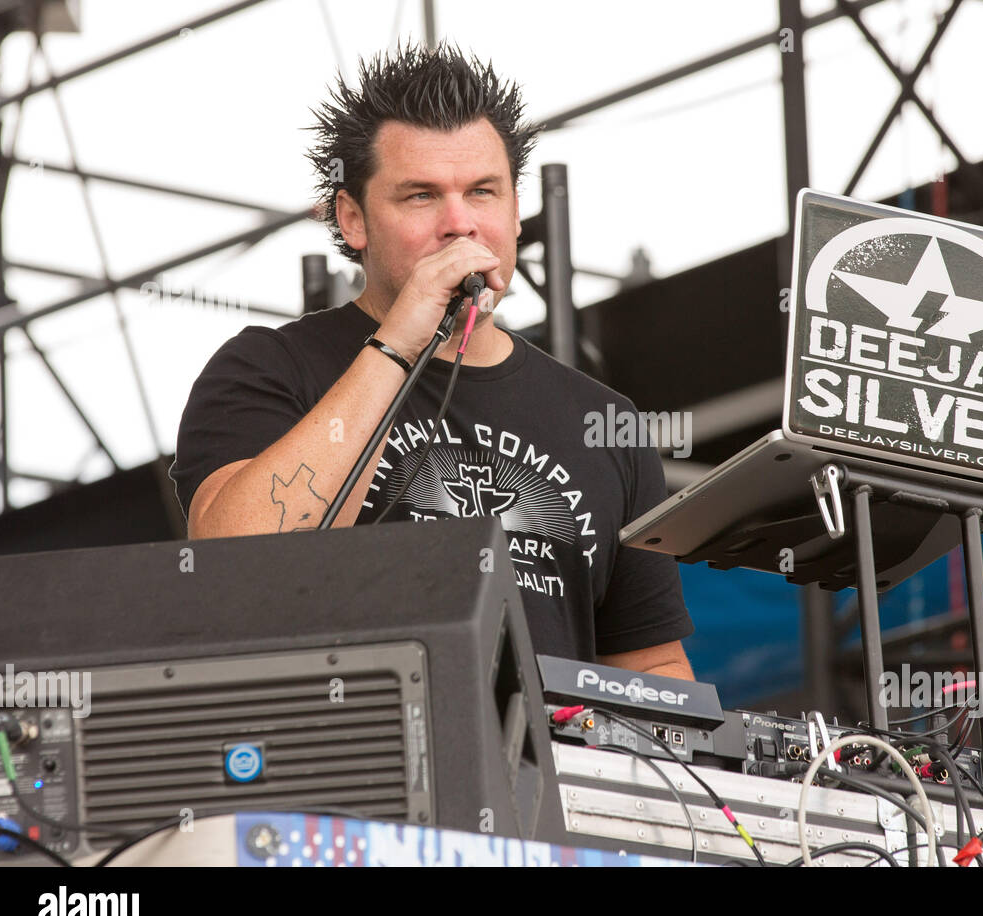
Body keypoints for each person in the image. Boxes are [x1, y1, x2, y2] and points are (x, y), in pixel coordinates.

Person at [169, 43, 694, 679]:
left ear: (514, 210)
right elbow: (233, 567)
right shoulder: (266, 368)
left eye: (483, 191)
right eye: (421, 196)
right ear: (353, 218)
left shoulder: (605, 419)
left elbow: (653, 665)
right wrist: (398, 344)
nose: (460, 223)